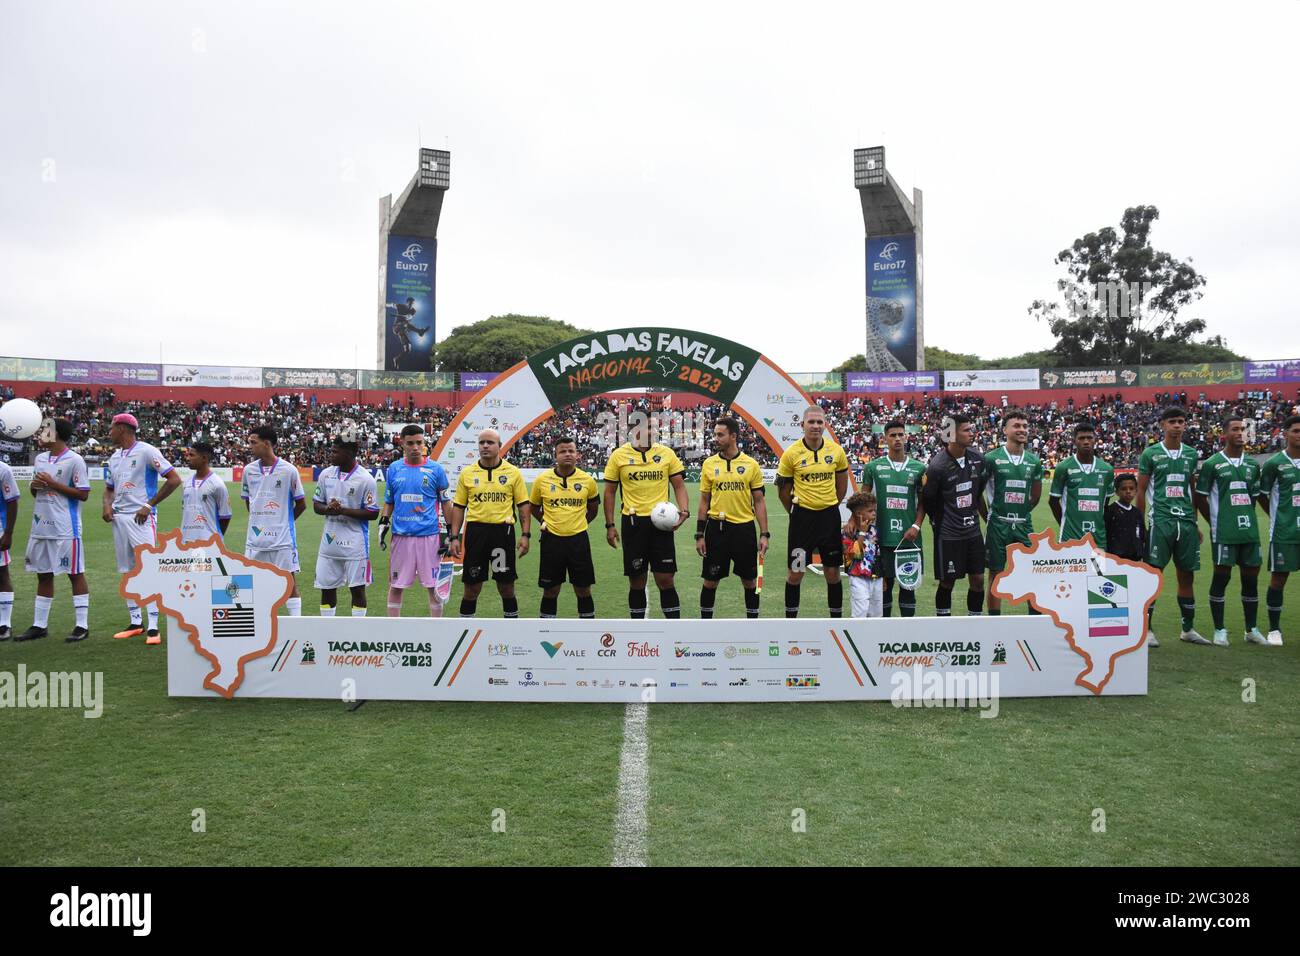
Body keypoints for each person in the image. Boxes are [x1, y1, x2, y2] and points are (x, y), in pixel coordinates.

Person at [103, 412, 180, 643]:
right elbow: (109, 488)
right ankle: (136, 622)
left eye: (112, 427)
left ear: (123, 429)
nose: (109, 432)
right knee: (128, 571)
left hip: (141, 519)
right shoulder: (115, 457)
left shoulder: (147, 451)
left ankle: (154, 627)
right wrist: (106, 506)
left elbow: (174, 479)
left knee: (148, 570)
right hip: (119, 519)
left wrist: (149, 505)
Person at [602, 415, 689, 619]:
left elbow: (678, 485)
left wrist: (684, 511)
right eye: (649, 427)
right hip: (633, 524)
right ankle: (637, 631)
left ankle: (674, 631)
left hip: (662, 525)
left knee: (666, 578)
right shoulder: (618, 456)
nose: (654, 431)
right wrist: (610, 525)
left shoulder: (666, 454)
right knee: (637, 580)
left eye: (654, 427)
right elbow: (609, 493)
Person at [1195, 414, 1267, 646]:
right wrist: (1216, 521)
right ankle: (1220, 630)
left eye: (1243, 429)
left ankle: (1252, 630)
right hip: (1223, 532)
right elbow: (1200, 497)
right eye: (1235, 429)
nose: (1240, 433)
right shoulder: (1212, 464)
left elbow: (1253, 499)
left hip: (1249, 532)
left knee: (1251, 581)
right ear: (1224, 434)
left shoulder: (1253, 465)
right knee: (1221, 578)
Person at [1137, 406, 1207, 646]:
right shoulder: (1151, 453)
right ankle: (1146, 631)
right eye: (1172, 422)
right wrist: (1140, 524)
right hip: (1161, 521)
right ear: (1163, 425)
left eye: (1181, 421)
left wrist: (1195, 522)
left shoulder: (1191, 453)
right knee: (1153, 576)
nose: (1177, 425)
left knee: (1187, 576)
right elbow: (1141, 489)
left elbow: (1192, 490)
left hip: (1185, 522)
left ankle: (1188, 629)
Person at [17, 418, 91, 642]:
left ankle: (81, 626)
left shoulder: (75, 460)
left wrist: (52, 483)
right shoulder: (40, 459)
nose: (41, 432)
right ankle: (39, 625)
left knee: (74, 573)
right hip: (40, 526)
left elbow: (83, 494)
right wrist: (34, 486)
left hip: (65, 528)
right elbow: (36, 491)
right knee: (43, 574)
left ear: (56, 434)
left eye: (45, 429)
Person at [776, 405, 850, 618]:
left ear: (825, 425)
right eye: (811, 422)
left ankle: (836, 620)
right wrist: (795, 511)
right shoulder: (791, 453)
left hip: (829, 518)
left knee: (833, 572)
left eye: (820, 422)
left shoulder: (836, 451)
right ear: (802, 425)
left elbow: (841, 486)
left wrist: (829, 504)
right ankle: (791, 621)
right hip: (802, 520)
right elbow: (783, 491)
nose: (816, 426)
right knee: (796, 573)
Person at [449, 429, 531, 618]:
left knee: (506, 586)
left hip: (503, 534)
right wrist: (454, 537)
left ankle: (511, 630)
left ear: (499, 446)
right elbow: (459, 507)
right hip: (476, 533)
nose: (485, 446)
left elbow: (523, 506)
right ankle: (465, 631)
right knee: (472, 587)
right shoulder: (468, 474)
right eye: (482, 442)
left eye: (490, 442)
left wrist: (526, 535)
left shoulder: (512, 473)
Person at [695, 416, 768, 619]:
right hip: (716, 530)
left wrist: (764, 534)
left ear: (733, 436)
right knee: (710, 581)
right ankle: (705, 627)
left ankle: (752, 626)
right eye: (715, 434)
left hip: (743, 530)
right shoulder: (709, 464)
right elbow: (703, 502)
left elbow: (759, 502)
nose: (716, 438)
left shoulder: (751, 464)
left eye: (720, 434)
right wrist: (699, 534)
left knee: (750, 581)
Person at [922, 413, 988, 617]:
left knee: (978, 579)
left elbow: (977, 493)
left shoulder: (978, 458)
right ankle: (943, 624)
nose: (972, 433)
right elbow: (928, 500)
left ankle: (975, 623)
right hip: (948, 534)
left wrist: (986, 519)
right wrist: (940, 522)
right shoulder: (937, 467)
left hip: (973, 531)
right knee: (947, 581)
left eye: (971, 428)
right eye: (966, 430)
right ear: (951, 435)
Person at [381, 424, 449, 617]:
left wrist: (451, 533)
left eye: (419, 443)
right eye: (410, 443)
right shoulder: (394, 468)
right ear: (402, 443)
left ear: (424, 442)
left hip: (430, 537)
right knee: (395, 585)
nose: (415, 447)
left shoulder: (436, 470)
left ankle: (437, 628)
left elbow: (446, 503)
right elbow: (389, 501)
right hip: (401, 537)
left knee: (433, 587)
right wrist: (383, 522)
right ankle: (393, 631)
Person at [860, 419, 925, 617]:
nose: (897, 439)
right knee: (883, 588)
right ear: (885, 439)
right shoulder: (873, 467)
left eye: (900, 435)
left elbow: (924, 502)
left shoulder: (919, 468)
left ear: (906, 437)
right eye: (892, 435)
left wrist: (916, 525)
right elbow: (863, 500)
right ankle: (884, 633)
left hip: (909, 538)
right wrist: (864, 531)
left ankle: (907, 631)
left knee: (908, 587)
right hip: (882, 538)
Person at [980, 409, 1043, 615]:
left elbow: (1035, 496)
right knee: (996, 573)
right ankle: (994, 621)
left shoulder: (1034, 461)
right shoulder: (991, 458)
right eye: (1016, 426)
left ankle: (1033, 619)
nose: (1022, 430)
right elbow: (977, 494)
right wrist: (988, 516)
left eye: (1025, 426)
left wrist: (1021, 510)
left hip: (1024, 523)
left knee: (1032, 571)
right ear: (1005, 430)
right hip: (998, 523)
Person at [531, 435, 600, 619]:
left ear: (577, 454)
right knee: (550, 590)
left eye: (571, 451)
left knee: (583, 589)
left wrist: (579, 523)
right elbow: (533, 507)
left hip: (579, 540)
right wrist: (545, 522)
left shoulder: (587, 480)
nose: (567, 454)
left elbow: (593, 510)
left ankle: (587, 632)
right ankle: (546, 631)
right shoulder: (542, 480)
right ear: (555, 454)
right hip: (551, 540)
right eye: (563, 451)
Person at [240, 425, 307, 616]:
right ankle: (260, 627)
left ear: (267, 444)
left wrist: (284, 523)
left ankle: (297, 625)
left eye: (253, 442)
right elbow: (249, 502)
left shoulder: (289, 470)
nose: (250, 446)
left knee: (289, 583)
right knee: (253, 584)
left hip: (282, 541)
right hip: (255, 541)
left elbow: (301, 504)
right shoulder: (248, 471)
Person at [314, 434, 380, 617]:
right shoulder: (326, 474)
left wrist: (342, 510)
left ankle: (357, 631)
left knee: (357, 590)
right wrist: (328, 508)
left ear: (350, 453)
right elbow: (316, 505)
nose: (331, 455)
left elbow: (373, 512)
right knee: (326, 589)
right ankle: (327, 629)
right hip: (329, 544)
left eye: (335, 452)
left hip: (355, 544)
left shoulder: (366, 479)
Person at [1257, 413, 1300, 646]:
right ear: (1285, 433)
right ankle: (1274, 630)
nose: (1299, 435)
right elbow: (1262, 495)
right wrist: (1277, 516)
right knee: (1278, 579)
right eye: (1295, 430)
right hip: (1285, 532)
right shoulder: (1274, 463)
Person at [1049, 421, 1115, 548]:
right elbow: (1053, 501)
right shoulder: (1063, 467)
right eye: (1081, 438)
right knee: (1071, 569)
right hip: (1070, 538)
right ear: (1074, 441)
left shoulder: (1107, 469)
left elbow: (1105, 503)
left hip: (1098, 539)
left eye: (1089, 438)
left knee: (1099, 568)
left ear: (1095, 440)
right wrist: (1064, 522)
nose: (1086, 441)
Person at [179, 441, 232, 544]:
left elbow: (225, 517)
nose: (187, 458)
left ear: (204, 458)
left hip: (210, 543)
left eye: (192, 455)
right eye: (188, 455)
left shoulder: (217, 484)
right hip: (186, 542)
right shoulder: (186, 483)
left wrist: (214, 538)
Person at [842, 491, 883, 618]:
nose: (874, 513)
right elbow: (853, 554)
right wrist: (862, 534)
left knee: (876, 613)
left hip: (876, 577)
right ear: (859, 513)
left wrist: (883, 576)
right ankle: (857, 636)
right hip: (858, 577)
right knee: (860, 611)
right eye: (870, 511)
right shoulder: (848, 532)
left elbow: (878, 553)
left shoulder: (874, 530)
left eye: (874, 510)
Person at [1103, 474, 1146, 563]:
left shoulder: (1137, 512)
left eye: (1131, 488)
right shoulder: (1110, 511)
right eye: (1123, 489)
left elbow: (1141, 534)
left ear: (1136, 490)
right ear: (1117, 492)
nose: (1128, 491)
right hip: (1116, 561)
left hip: (1135, 560)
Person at [0, 457, 18, 639]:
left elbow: (12, 501)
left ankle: (4, 624)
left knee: (2, 574)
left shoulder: (3, 469)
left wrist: (8, 533)